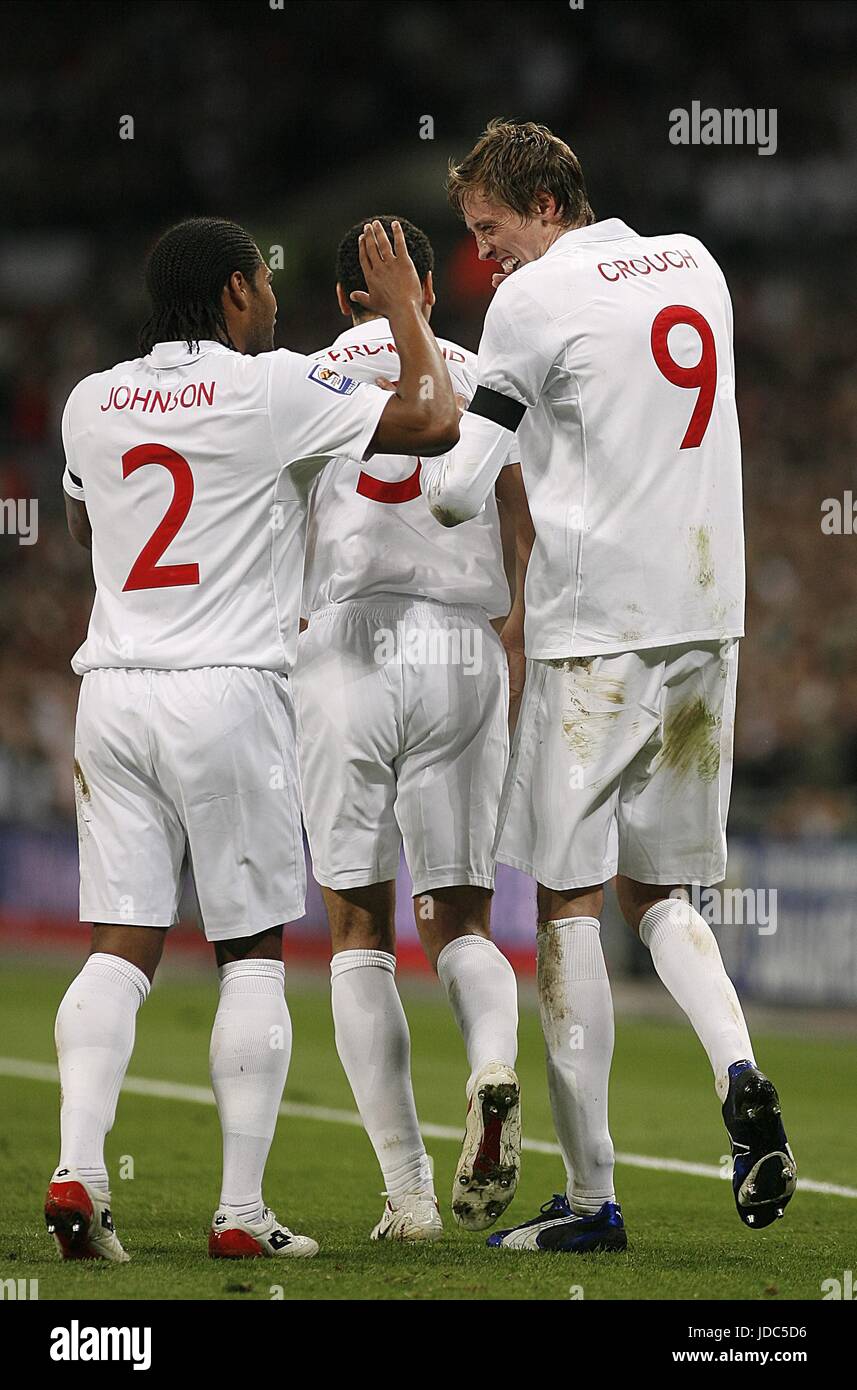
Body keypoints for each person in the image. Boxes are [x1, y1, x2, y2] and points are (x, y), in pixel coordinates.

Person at [49, 215, 458, 1262]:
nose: (275, 299)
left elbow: (93, 524)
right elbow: (432, 421)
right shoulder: (269, 384)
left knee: (120, 941)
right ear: (237, 291)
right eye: (264, 283)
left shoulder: (89, 400)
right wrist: (407, 304)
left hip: (113, 692)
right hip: (228, 691)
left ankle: (80, 1175)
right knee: (250, 954)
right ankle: (239, 1210)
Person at [422, 119, 796, 1253]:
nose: (486, 258)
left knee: (568, 898)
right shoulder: (694, 261)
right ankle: (737, 1070)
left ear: (541, 201)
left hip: (596, 637)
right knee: (662, 892)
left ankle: (590, 1197)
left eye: (489, 230)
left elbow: (453, 492)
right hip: (704, 617)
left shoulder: (530, 304)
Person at [293, 215, 528, 1242]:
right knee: (461, 920)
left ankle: (408, 1195)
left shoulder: (304, 380)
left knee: (356, 929)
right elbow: (520, 509)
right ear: (429, 287)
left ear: (346, 299)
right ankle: (489, 1069)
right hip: (462, 647)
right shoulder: (486, 371)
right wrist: (506, 624)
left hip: (345, 643)